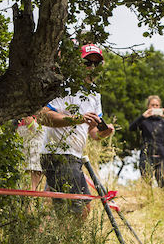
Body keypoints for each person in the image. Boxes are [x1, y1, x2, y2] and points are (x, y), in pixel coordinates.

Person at [38, 44, 115, 216]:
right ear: (77, 64)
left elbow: (93, 133)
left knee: (82, 209)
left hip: (74, 157)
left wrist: (104, 133)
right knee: (75, 210)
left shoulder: (95, 93)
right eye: (87, 62)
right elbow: (42, 116)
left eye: (96, 64)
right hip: (57, 155)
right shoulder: (65, 88)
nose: (92, 67)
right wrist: (77, 119)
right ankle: (58, 239)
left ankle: (53, 237)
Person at [128, 95, 164, 187]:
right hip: (147, 155)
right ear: (148, 106)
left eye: (157, 105)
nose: (154, 107)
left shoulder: (163, 122)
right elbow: (131, 128)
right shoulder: (144, 121)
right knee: (147, 183)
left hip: (161, 155)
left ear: (160, 107)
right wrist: (143, 116)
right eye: (152, 105)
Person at [16, 112, 46, 191]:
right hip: (33, 133)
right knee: (32, 183)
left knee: (30, 182)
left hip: (31, 131)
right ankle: (29, 201)